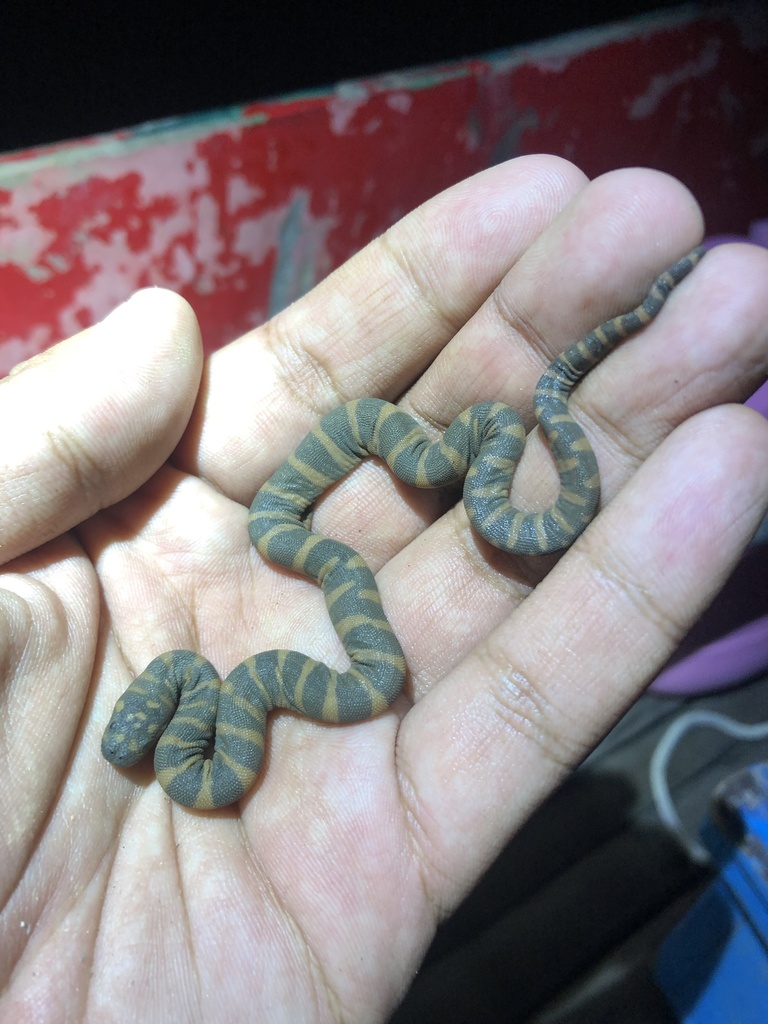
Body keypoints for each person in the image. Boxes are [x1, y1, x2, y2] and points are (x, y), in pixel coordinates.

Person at [0, 156, 766, 1022]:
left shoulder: (206, 693)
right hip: (324, 619)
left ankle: (533, 405)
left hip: (384, 482)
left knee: (423, 472)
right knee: (349, 580)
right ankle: (530, 408)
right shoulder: (213, 713)